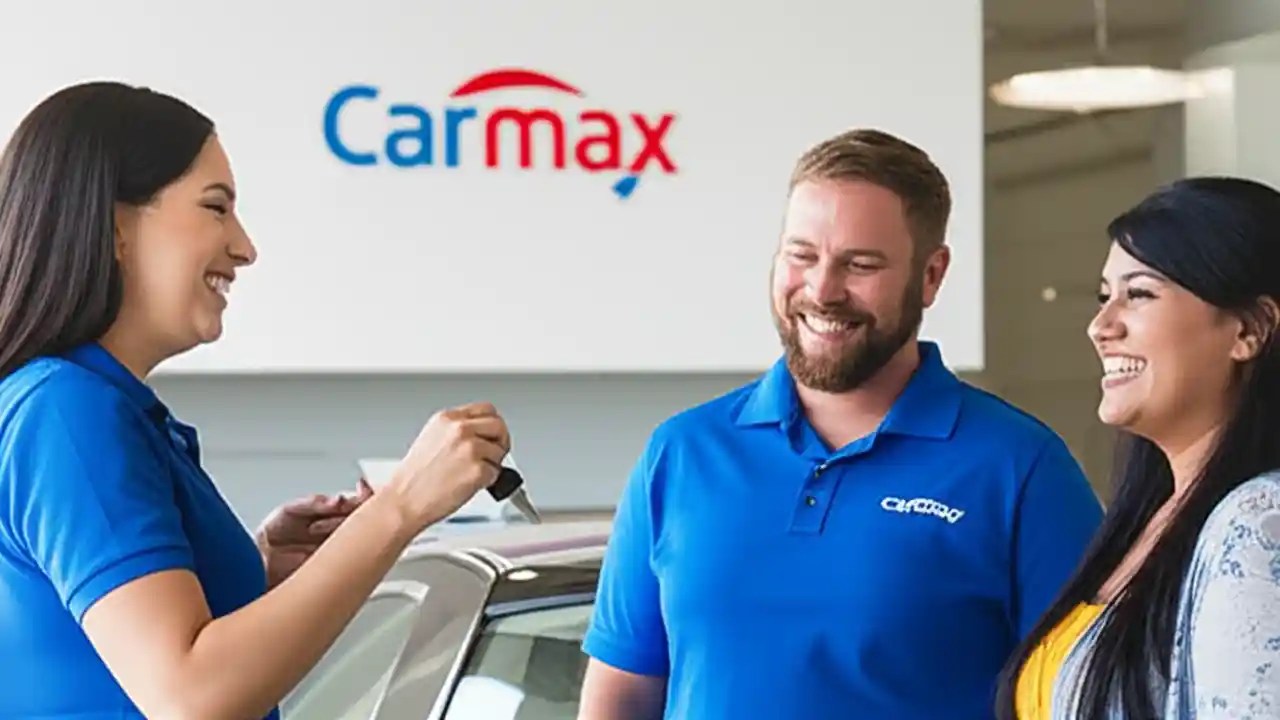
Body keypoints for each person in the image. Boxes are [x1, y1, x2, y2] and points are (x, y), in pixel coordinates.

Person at [0, 81, 511, 719]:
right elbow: (190, 696)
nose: (245, 247)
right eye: (216, 208)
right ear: (113, 225)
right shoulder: (67, 413)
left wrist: (255, 569)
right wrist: (401, 507)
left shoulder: (100, 410)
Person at [577, 128, 1104, 720]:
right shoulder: (681, 453)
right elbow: (620, 696)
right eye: (801, 255)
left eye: (860, 264)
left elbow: (1088, 701)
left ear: (931, 276)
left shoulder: (1022, 470)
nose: (823, 290)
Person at [997, 176, 1280, 720]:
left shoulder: (1257, 523)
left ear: (1250, 329)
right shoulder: (1150, 519)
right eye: (1105, 296)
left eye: (1140, 294)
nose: (1101, 326)